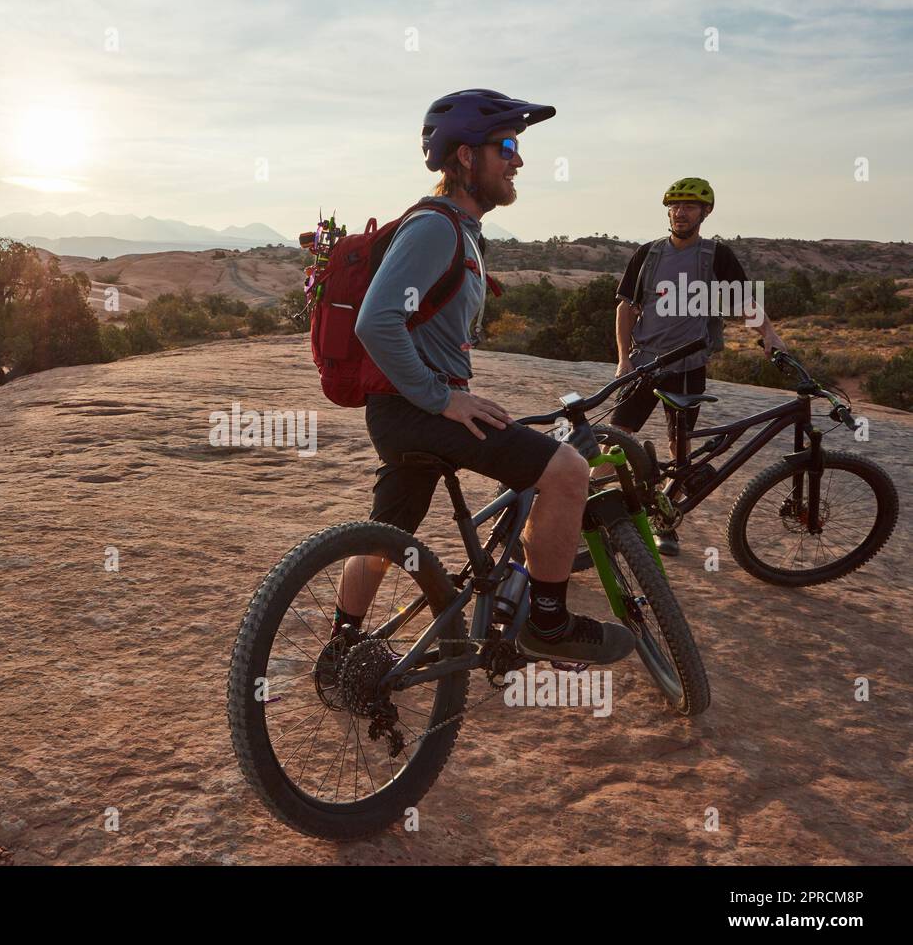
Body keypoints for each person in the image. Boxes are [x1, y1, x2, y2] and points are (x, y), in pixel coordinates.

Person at [329, 89, 635, 666]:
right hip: (415, 411)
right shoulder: (436, 227)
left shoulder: (461, 229)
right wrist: (441, 398)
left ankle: (342, 651)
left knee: (388, 530)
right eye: (507, 147)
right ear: (467, 157)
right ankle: (548, 623)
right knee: (568, 471)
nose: (518, 160)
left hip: (403, 413)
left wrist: (442, 395)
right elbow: (376, 320)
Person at [606, 177, 786, 554]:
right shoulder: (648, 254)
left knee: (681, 445)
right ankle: (589, 512)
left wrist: (769, 334)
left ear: (705, 212)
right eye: (674, 206)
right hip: (644, 363)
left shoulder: (715, 255)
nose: (680, 212)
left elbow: (743, 301)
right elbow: (626, 308)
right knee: (618, 436)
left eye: (689, 206)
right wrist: (623, 358)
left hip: (687, 366)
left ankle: (665, 521)